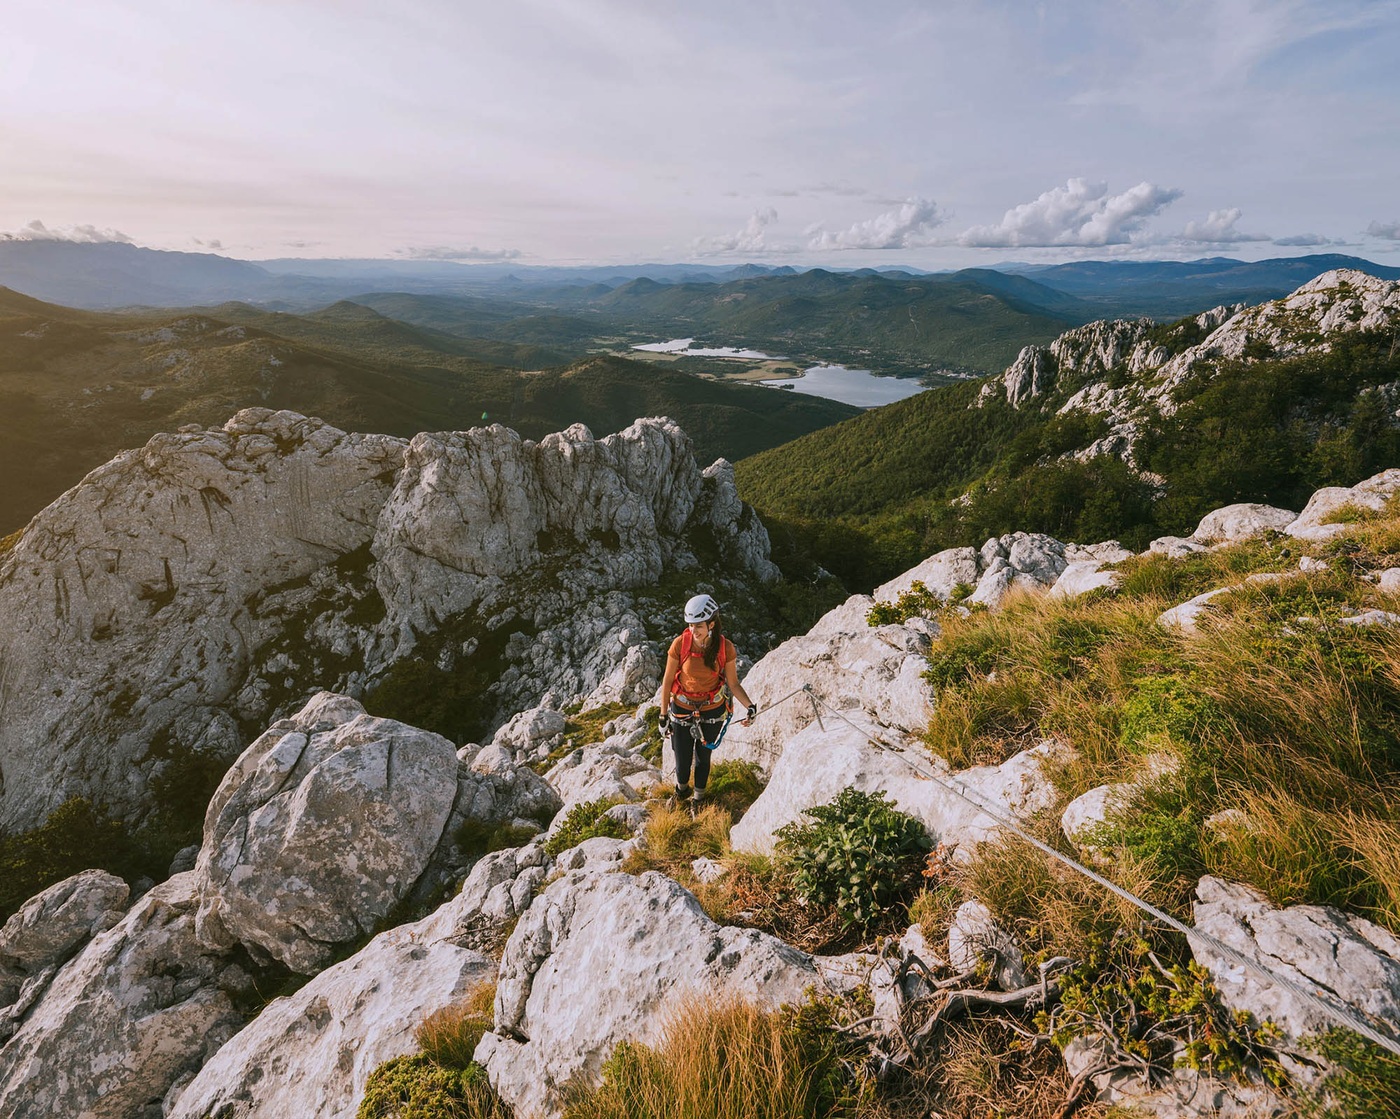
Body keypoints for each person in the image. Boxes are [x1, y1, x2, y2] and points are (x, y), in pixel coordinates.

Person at [657, 593, 757, 809]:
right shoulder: (680, 644)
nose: (693, 630)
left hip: (712, 711)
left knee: (703, 758)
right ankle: (681, 790)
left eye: (698, 625)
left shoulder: (725, 648)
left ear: (711, 623)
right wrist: (663, 715)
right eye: (691, 625)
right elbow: (666, 682)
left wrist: (749, 706)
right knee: (682, 758)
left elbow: (733, 683)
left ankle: (698, 799)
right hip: (682, 708)